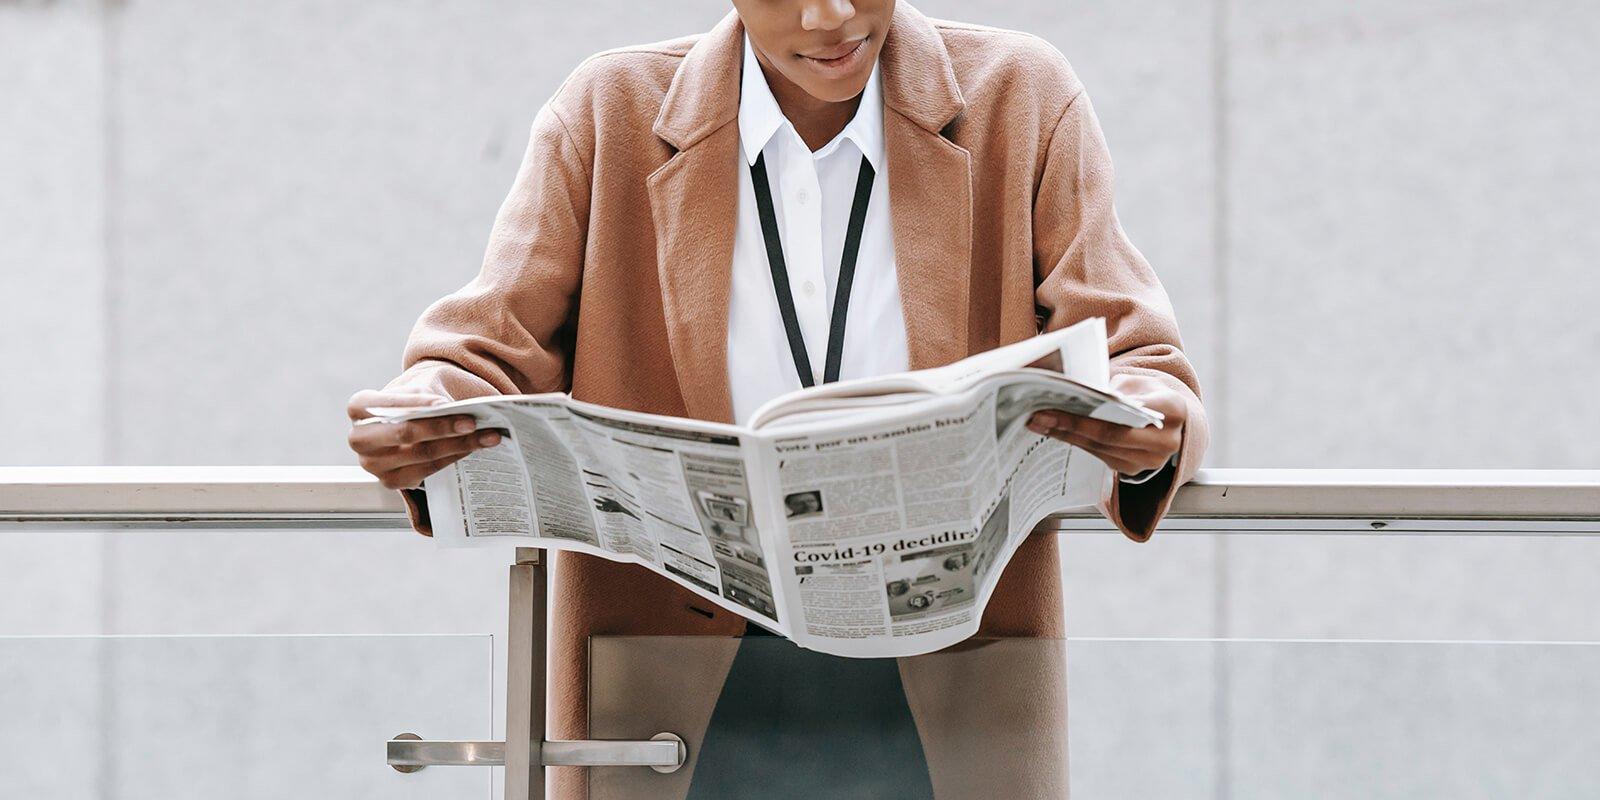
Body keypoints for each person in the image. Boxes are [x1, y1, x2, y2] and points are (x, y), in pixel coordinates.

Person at [346, 1, 1207, 796]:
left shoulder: (1022, 97)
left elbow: (1138, 356)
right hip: (665, 709)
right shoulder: (609, 112)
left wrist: (1146, 424)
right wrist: (424, 408)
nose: (831, 15)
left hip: (958, 691)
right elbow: (484, 350)